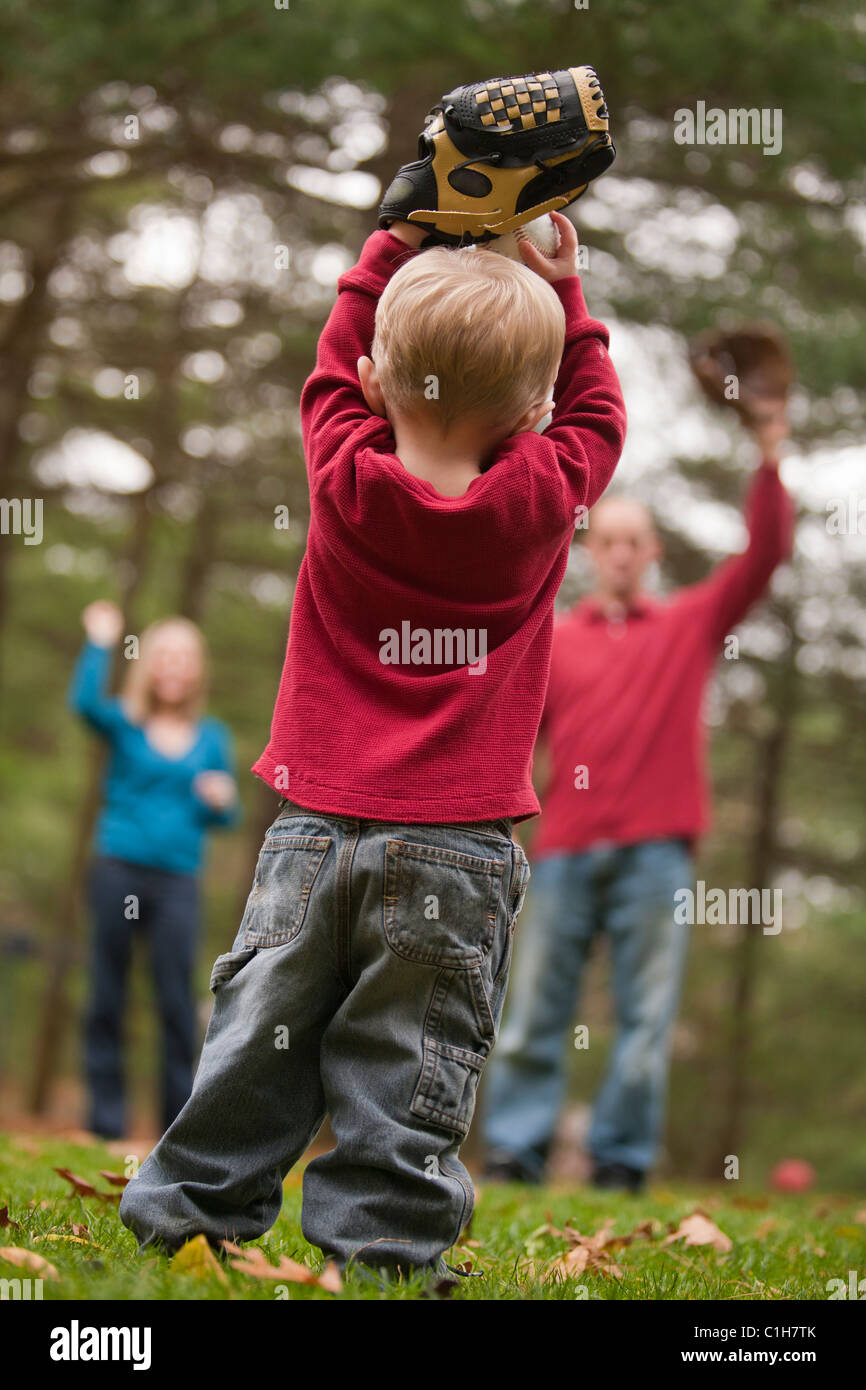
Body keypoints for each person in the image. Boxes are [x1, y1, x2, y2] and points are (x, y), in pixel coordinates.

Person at [118, 208, 627, 1283]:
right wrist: (565, 290)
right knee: (409, 1062)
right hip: (457, 846)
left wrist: (393, 236)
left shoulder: (341, 473)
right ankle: (387, 1247)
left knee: (259, 1033)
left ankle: (189, 1213)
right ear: (532, 408)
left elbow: (328, 356)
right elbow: (598, 416)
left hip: (313, 830)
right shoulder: (541, 495)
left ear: (374, 377)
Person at [482, 406, 795, 1191]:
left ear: (652, 554)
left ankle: (619, 1162)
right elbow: (513, 739)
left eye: (634, 543)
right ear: (590, 553)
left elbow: (766, 555)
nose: (620, 555)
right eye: (607, 543)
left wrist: (767, 456)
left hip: (658, 853)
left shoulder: (689, 624)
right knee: (534, 1013)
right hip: (563, 851)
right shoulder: (555, 636)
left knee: (646, 1020)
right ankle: (517, 1152)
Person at [68, 601, 240, 1139]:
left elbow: (227, 814)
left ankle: (174, 1127)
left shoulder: (212, 736)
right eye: (164, 656)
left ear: (196, 671)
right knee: (107, 992)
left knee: (173, 1000)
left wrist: (220, 798)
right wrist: (100, 640)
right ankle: (105, 1122)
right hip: (118, 870)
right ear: (149, 665)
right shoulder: (125, 719)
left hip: (178, 882)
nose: (173, 667)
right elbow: (82, 704)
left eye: (184, 658)